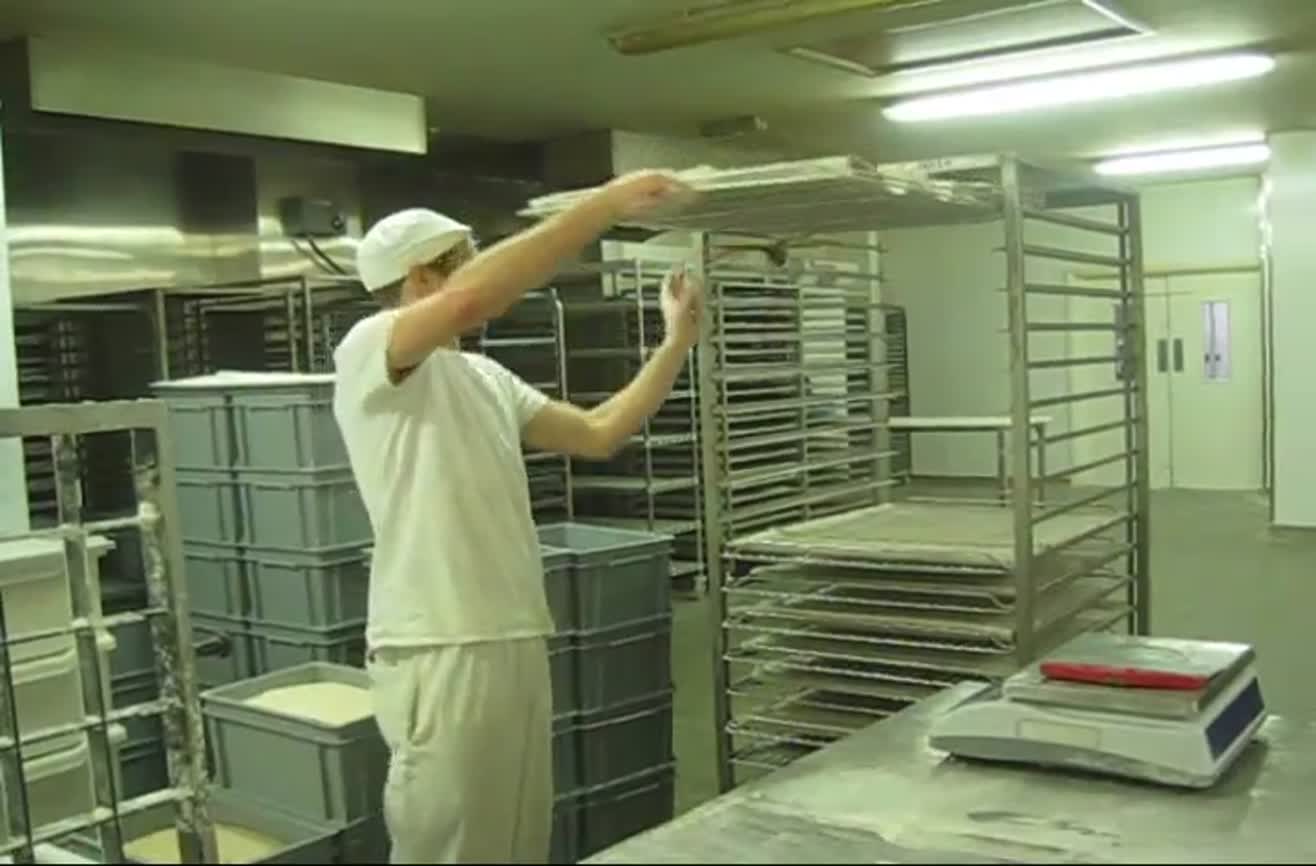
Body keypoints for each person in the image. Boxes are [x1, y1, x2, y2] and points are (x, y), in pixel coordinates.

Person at [331, 171, 702, 865]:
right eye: (465, 260)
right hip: (439, 641)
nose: (481, 273)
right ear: (420, 278)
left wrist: (676, 341)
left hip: (513, 634)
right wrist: (606, 204)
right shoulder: (368, 351)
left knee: (518, 842)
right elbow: (474, 296)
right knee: (450, 847)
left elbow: (598, 433)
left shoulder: (484, 377)